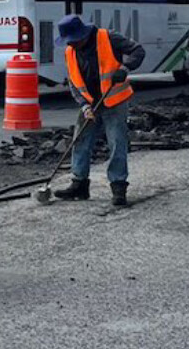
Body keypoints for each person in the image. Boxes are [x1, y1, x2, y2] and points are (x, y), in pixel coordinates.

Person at [52, 14, 145, 207]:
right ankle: (79, 184)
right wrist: (84, 106)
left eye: (74, 41)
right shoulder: (70, 51)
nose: (71, 44)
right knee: (80, 141)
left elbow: (138, 51)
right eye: (69, 42)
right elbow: (74, 82)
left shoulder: (108, 37)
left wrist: (125, 68)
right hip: (90, 103)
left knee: (117, 143)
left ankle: (118, 187)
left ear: (83, 34)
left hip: (114, 101)